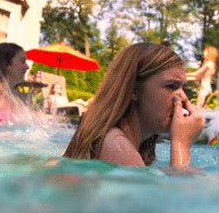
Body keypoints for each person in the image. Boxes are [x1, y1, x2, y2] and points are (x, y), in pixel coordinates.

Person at [64, 42, 204, 169]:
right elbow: (178, 195)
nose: (183, 98)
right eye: (171, 86)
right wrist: (181, 145)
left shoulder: (121, 142)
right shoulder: (115, 146)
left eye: (182, 87)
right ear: (133, 90)